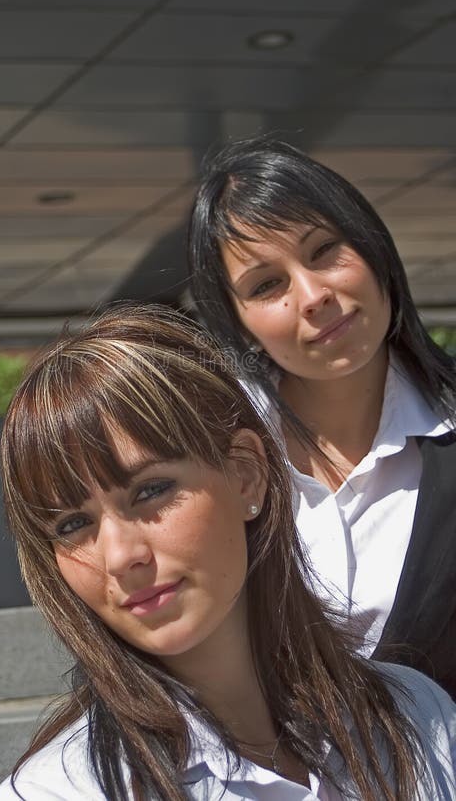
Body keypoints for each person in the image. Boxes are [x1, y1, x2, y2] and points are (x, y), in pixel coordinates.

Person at [0, 305, 456, 801]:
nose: (121, 555)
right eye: (73, 524)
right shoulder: (58, 792)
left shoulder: (417, 718)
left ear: (245, 474)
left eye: (150, 491)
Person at [188, 136, 456, 698]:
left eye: (324, 250)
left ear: (373, 246)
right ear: (237, 322)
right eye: (266, 285)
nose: (312, 296)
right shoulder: (203, 456)